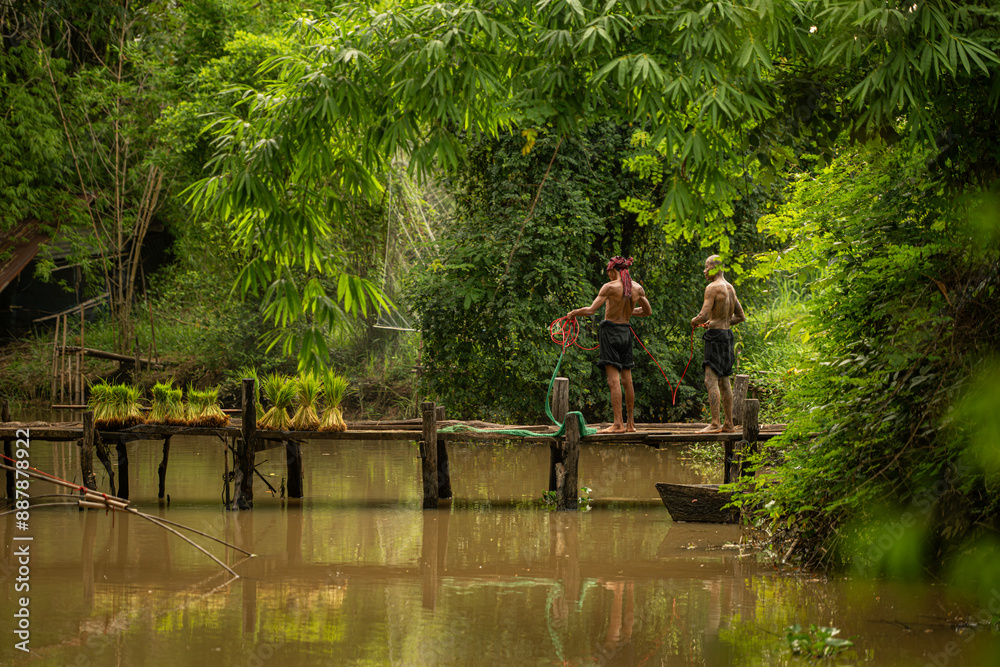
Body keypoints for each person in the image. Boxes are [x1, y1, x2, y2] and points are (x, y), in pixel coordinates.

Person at [566, 256, 652, 433]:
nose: (609, 276)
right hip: (626, 332)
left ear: (614, 271)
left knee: (614, 381)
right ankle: (630, 424)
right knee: (627, 379)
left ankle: (617, 424)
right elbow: (647, 311)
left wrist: (574, 313)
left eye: (609, 272)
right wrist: (628, 312)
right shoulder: (637, 288)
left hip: (610, 332)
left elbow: (591, 310)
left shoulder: (609, 287)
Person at [691, 255, 745, 433]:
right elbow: (740, 316)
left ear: (715, 268)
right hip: (727, 335)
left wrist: (694, 321)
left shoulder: (712, 288)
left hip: (715, 337)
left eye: (706, 267)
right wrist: (722, 322)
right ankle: (728, 424)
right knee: (724, 379)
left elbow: (704, 315)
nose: (704, 271)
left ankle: (715, 423)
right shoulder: (730, 288)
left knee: (710, 379)